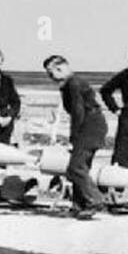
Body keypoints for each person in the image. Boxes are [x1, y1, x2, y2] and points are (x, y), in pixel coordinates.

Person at [44, 55, 107, 220]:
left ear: (61, 68)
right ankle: (80, 205)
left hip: (90, 125)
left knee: (75, 168)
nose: (51, 77)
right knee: (81, 167)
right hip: (94, 124)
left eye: (51, 73)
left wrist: (74, 134)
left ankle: (95, 199)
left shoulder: (74, 84)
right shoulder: (72, 83)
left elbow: (78, 112)